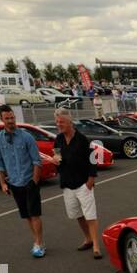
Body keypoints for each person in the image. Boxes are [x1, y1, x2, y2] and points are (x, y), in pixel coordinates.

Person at [0, 105, 45, 257]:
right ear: (1, 119)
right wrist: (2, 183)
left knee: (34, 214)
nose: (11, 121)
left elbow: (37, 161)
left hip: (29, 181)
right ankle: (35, 240)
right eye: (7, 118)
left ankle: (39, 243)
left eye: (12, 117)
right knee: (27, 215)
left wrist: (34, 181)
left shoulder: (26, 137)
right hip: (14, 183)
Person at [53, 109, 101, 258]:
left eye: (61, 122)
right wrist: (55, 160)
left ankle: (96, 246)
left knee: (90, 215)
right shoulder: (58, 139)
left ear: (70, 122)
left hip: (83, 183)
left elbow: (93, 158)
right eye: (57, 122)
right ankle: (88, 239)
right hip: (67, 183)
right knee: (78, 214)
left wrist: (91, 179)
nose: (59, 124)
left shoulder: (82, 139)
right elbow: (57, 157)